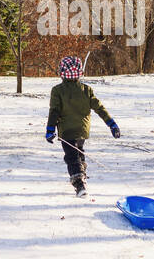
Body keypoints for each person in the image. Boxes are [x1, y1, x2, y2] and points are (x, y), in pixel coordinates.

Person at [45, 55, 120, 197]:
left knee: (71, 156)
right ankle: (82, 174)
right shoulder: (87, 90)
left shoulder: (57, 90)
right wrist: (112, 124)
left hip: (67, 131)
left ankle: (79, 183)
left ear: (62, 72)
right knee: (78, 152)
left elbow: (54, 111)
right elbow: (99, 108)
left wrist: (50, 130)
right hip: (82, 130)